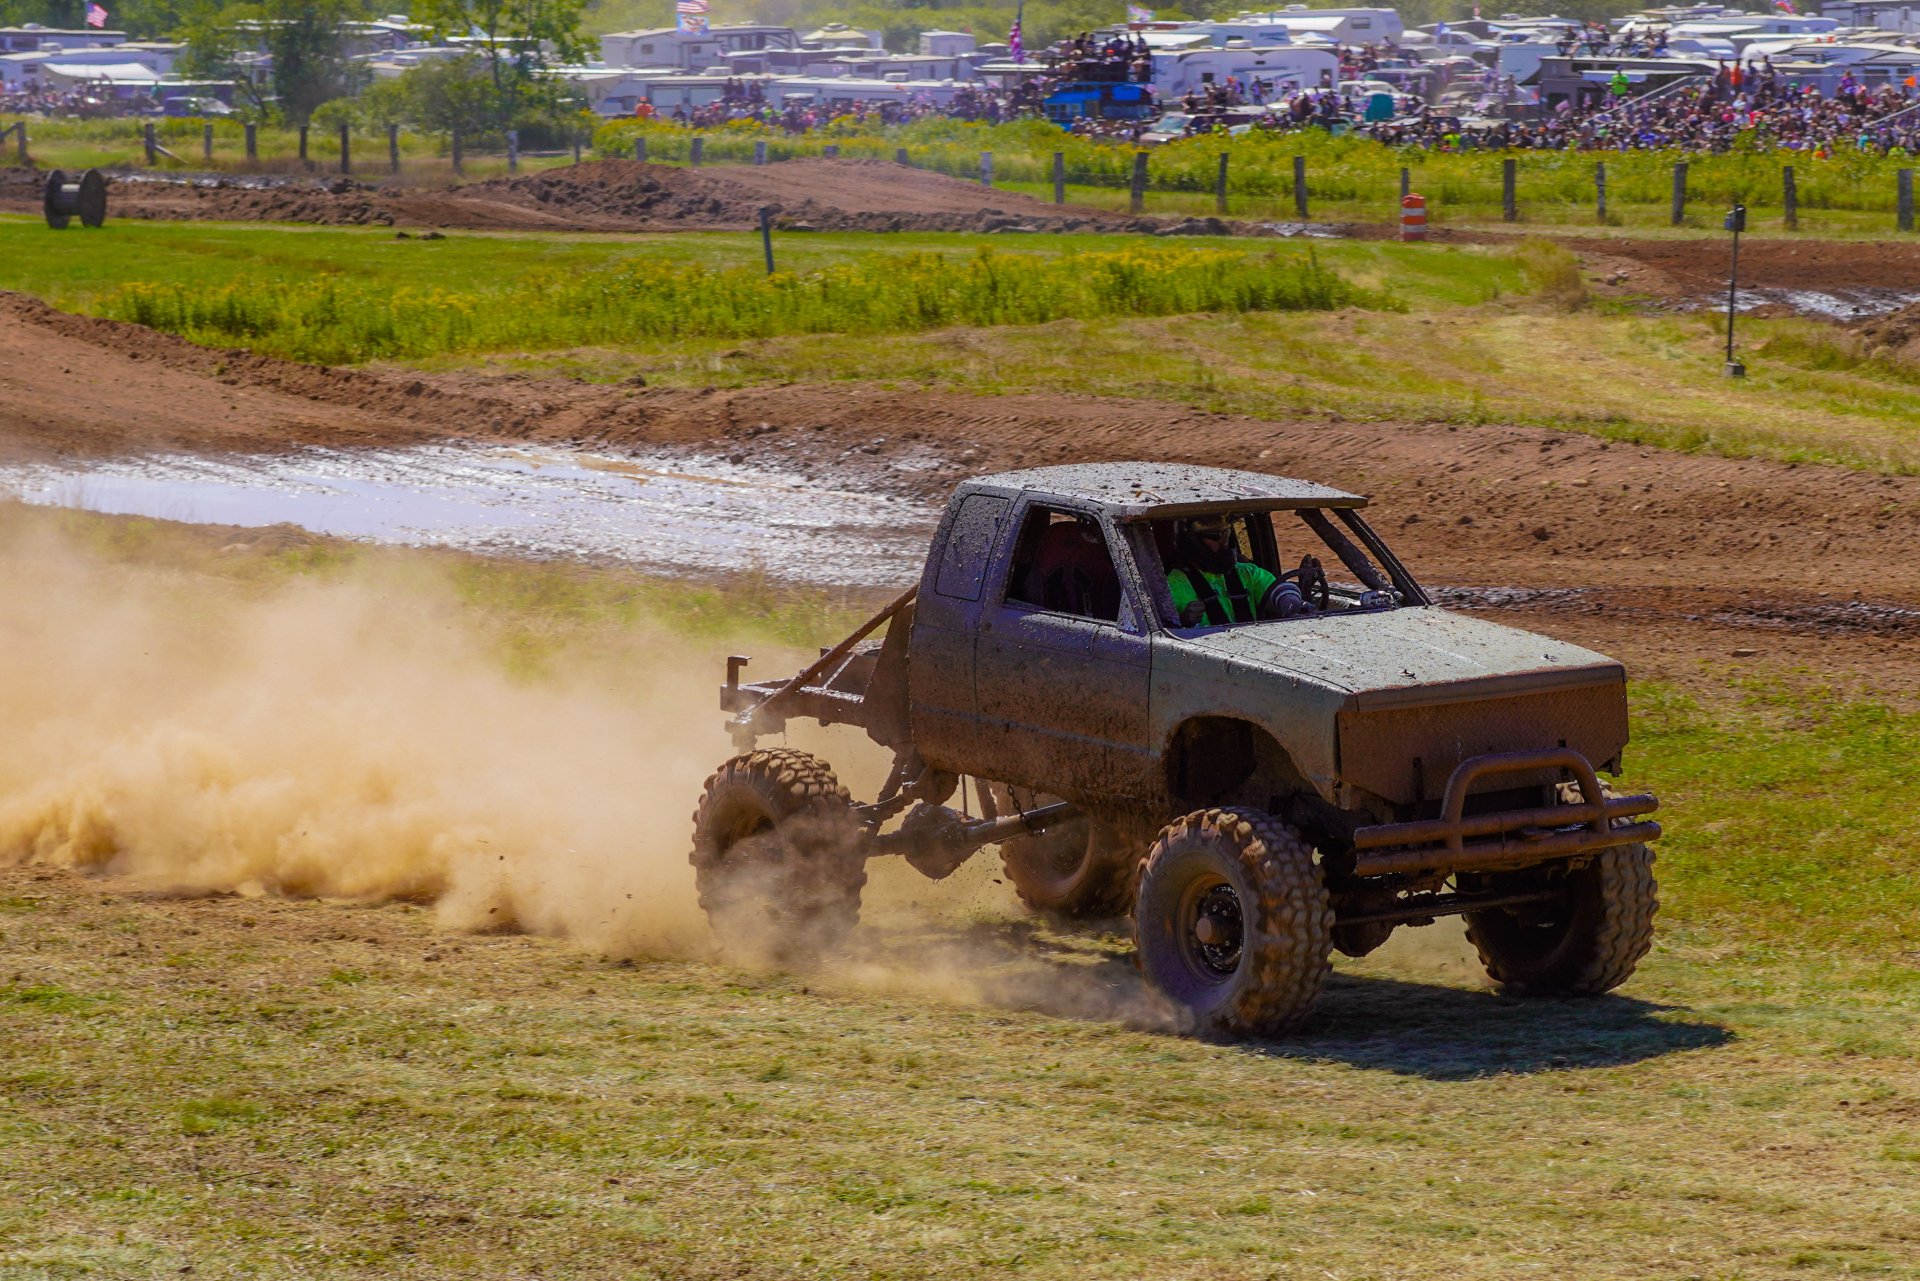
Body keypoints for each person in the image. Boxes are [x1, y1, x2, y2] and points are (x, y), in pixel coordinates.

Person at [1165, 513, 1320, 626]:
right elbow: (1163, 630)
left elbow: (1275, 588)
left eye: (1227, 532)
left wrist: (1290, 601)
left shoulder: (1247, 573)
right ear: (1192, 540)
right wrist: (1183, 621)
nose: (1224, 540)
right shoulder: (1172, 585)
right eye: (1214, 535)